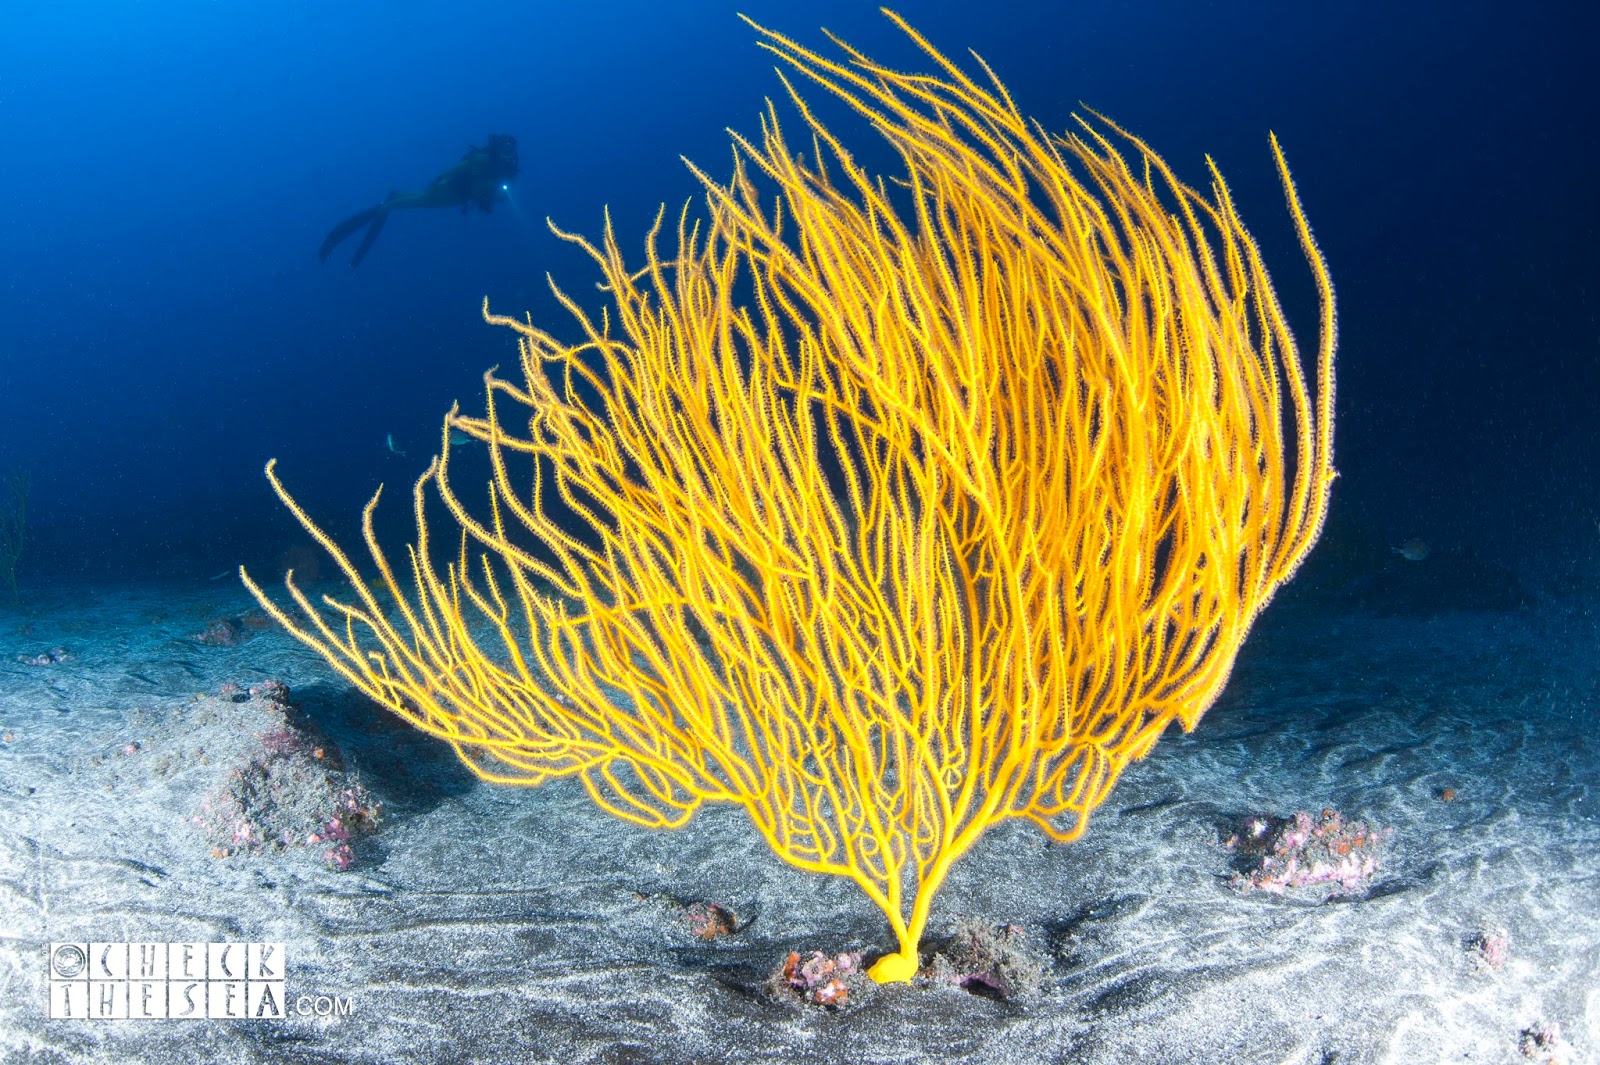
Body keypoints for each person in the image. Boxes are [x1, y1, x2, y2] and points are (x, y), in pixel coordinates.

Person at [319, 134, 520, 267]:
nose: (507, 154)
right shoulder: (484, 160)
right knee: (420, 201)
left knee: (418, 199)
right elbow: (458, 168)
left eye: (510, 151)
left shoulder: (505, 168)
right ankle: (384, 209)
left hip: (456, 196)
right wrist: (439, 179)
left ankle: (393, 199)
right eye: (504, 150)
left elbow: (496, 193)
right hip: (449, 192)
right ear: (497, 149)